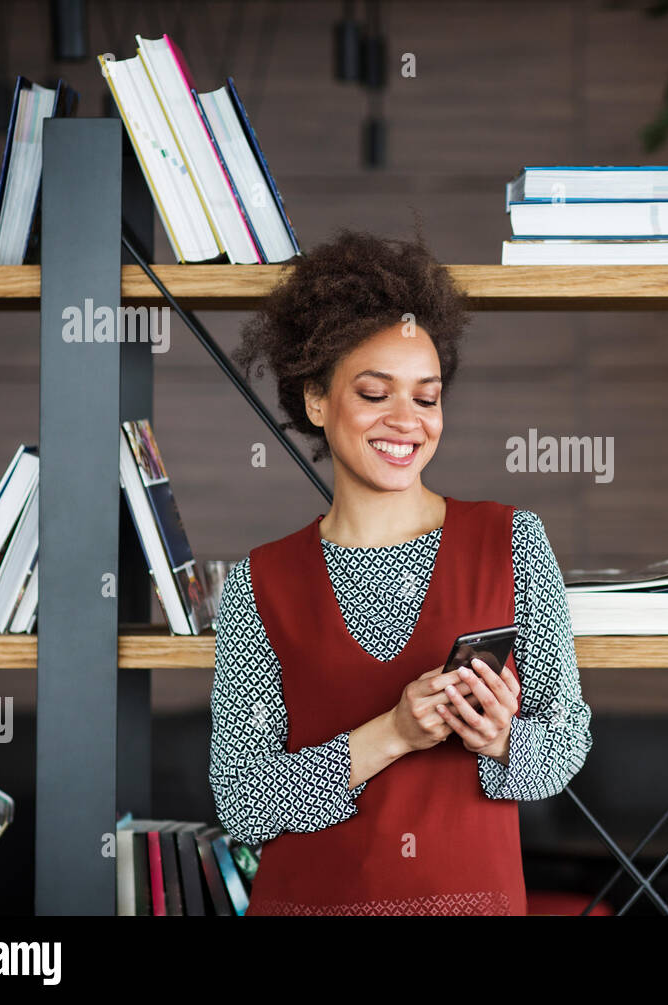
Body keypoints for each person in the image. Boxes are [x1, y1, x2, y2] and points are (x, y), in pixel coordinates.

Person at [208, 229, 593, 916]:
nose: (405, 421)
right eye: (374, 392)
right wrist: (392, 733)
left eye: (426, 396)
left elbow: (564, 745)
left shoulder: (514, 544)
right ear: (317, 400)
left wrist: (499, 738)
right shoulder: (259, 582)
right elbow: (242, 799)